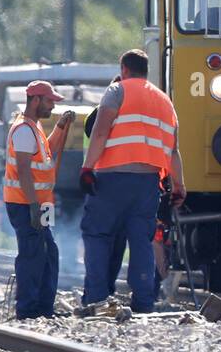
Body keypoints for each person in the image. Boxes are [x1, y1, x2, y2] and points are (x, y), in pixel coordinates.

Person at [79, 49, 185, 315]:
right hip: (148, 183)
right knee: (141, 240)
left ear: (124, 69)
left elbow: (101, 130)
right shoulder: (165, 101)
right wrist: (180, 185)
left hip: (112, 178)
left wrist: (87, 168)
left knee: (98, 235)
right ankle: (143, 302)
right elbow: (173, 151)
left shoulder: (117, 91)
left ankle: (97, 299)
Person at [4, 80, 74, 319]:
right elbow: (23, 170)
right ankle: (27, 310)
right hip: (26, 203)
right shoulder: (24, 129)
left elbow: (47, 150)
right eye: (49, 101)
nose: (52, 106)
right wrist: (34, 205)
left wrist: (61, 128)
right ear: (35, 100)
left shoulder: (34, 127)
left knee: (48, 252)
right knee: (32, 253)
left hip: (41, 203)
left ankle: (43, 308)